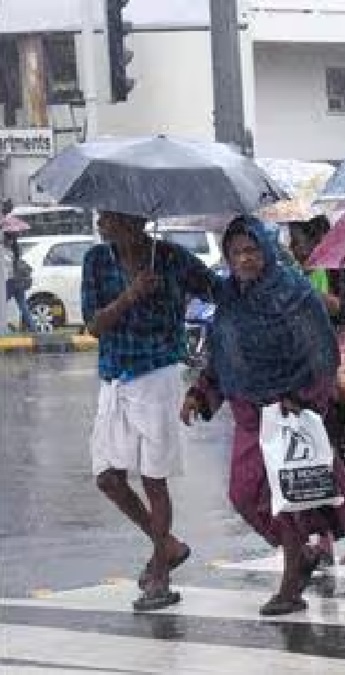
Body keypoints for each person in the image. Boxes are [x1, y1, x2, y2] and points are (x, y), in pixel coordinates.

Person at [180, 216, 345, 616]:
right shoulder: (229, 297)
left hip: (287, 411)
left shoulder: (294, 293)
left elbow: (322, 351)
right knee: (244, 495)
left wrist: (303, 398)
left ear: (265, 250)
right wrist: (200, 393)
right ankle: (300, 556)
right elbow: (222, 352)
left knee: (289, 500)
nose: (244, 259)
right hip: (248, 412)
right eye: (236, 252)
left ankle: (290, 584)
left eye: (251, 250)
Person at [81, 210, 220, 611]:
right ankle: (169, 546)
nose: (100, 222)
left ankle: (160, 571)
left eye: (108, 216)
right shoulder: (97, 260)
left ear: (133, 221)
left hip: (157, 374)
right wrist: (130, 296)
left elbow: (215, 289)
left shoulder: (172, 259)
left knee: (154, 478)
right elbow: (94, 325)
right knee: (107, 476)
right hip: (114, 376)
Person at [287, 217, 345, 567]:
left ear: (319, 239)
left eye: (299, 241)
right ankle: (328, 538)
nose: (295, 250)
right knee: (322, 460)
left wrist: (310, 293)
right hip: (316, 379)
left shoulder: (343, 267)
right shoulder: (303, 274)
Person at [4, 232, 35, 332]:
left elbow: (7, 268)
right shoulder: (16, 249)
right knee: (23, 305)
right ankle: (32, 327)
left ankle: (5, 328)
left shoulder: (7, 251)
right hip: (19, 282)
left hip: (11, 282)